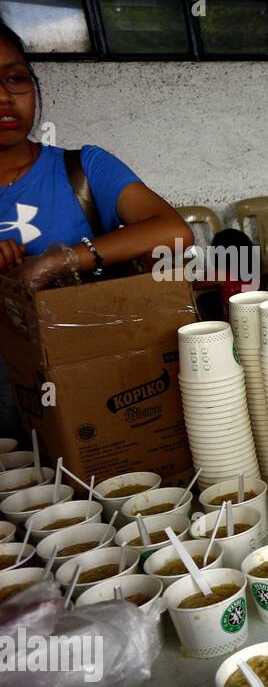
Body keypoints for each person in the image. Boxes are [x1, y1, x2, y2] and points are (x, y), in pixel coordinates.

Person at [0, 21, 191, 437]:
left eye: (15, 78)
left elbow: (173, 232)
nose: (3, 97)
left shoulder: (83, 168)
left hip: (99, 383)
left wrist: (60, 259)